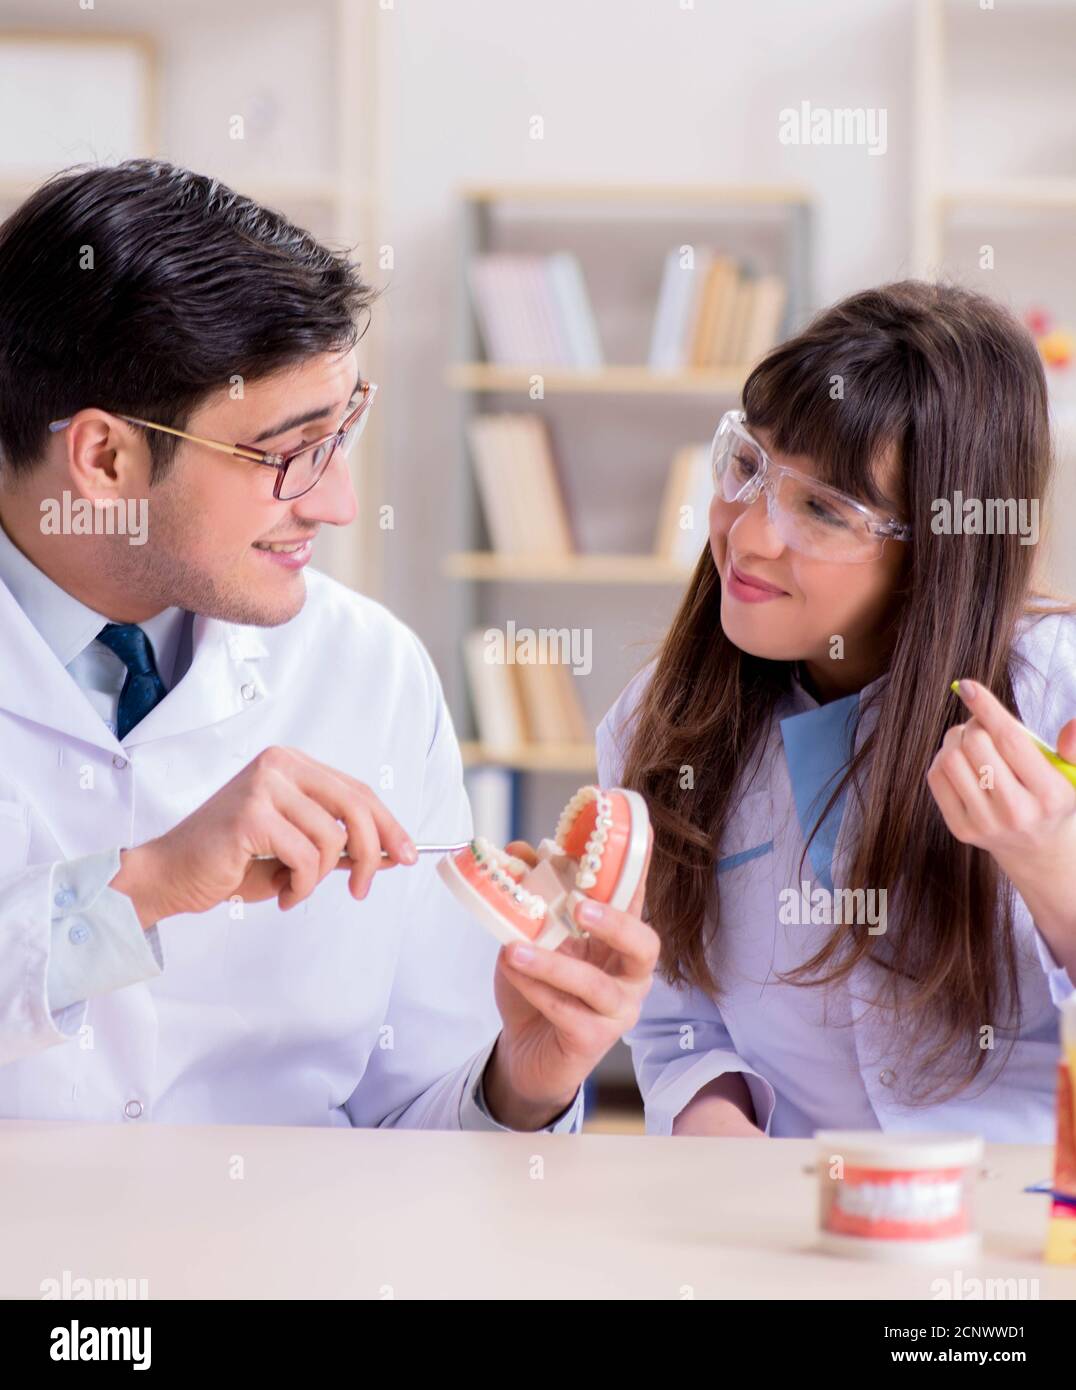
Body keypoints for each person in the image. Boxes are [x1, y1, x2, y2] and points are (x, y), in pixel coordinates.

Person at [0, 158, 657, 1131]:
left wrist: (520, 1083)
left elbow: (417, 1115)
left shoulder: (370, 671)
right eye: (290, 453)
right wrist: (140, 886)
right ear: (104, 457)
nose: (339, 502)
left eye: (342, 430)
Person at [597, 280, 1076, 1140]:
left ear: (942, 550)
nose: (749, 535)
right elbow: (681, 1031)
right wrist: (749, 1196)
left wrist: (1048, 860)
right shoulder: (657, 727)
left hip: (1019, 1224)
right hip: (780, 1227)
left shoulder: (1060, 699)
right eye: (748, 467)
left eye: (822, 509)